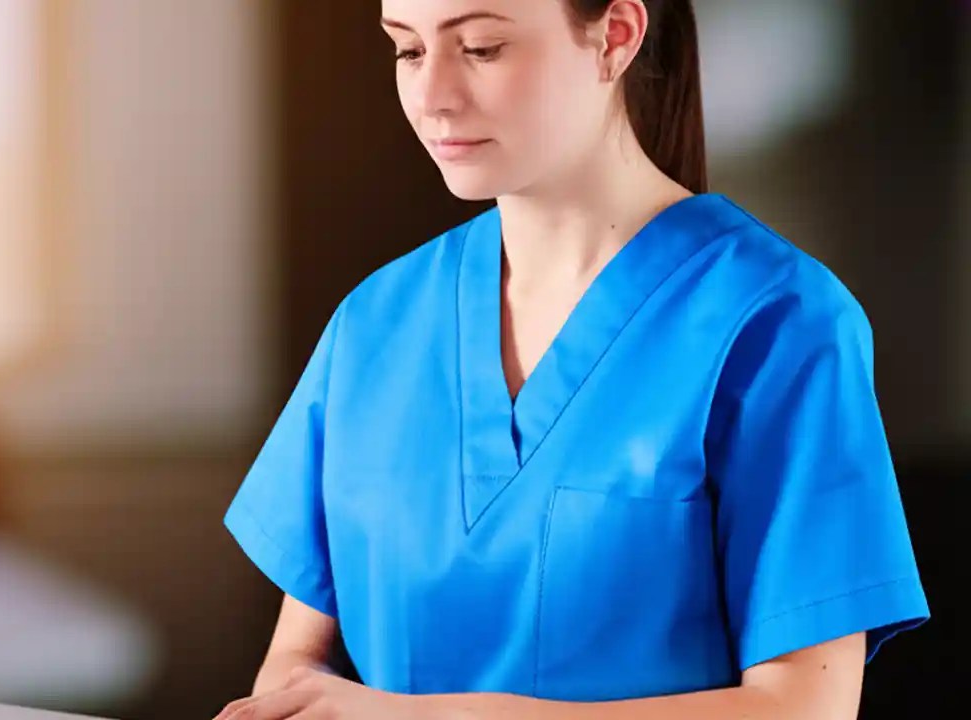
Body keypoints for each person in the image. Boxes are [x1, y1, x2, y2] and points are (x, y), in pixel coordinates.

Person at [216, 1, 930, 718]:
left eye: (483, 48)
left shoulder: (778, 321)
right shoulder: (375, 323)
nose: (432, 96)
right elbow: (298, 667)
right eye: (406, 51)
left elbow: (806, 707)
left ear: (615, 37)